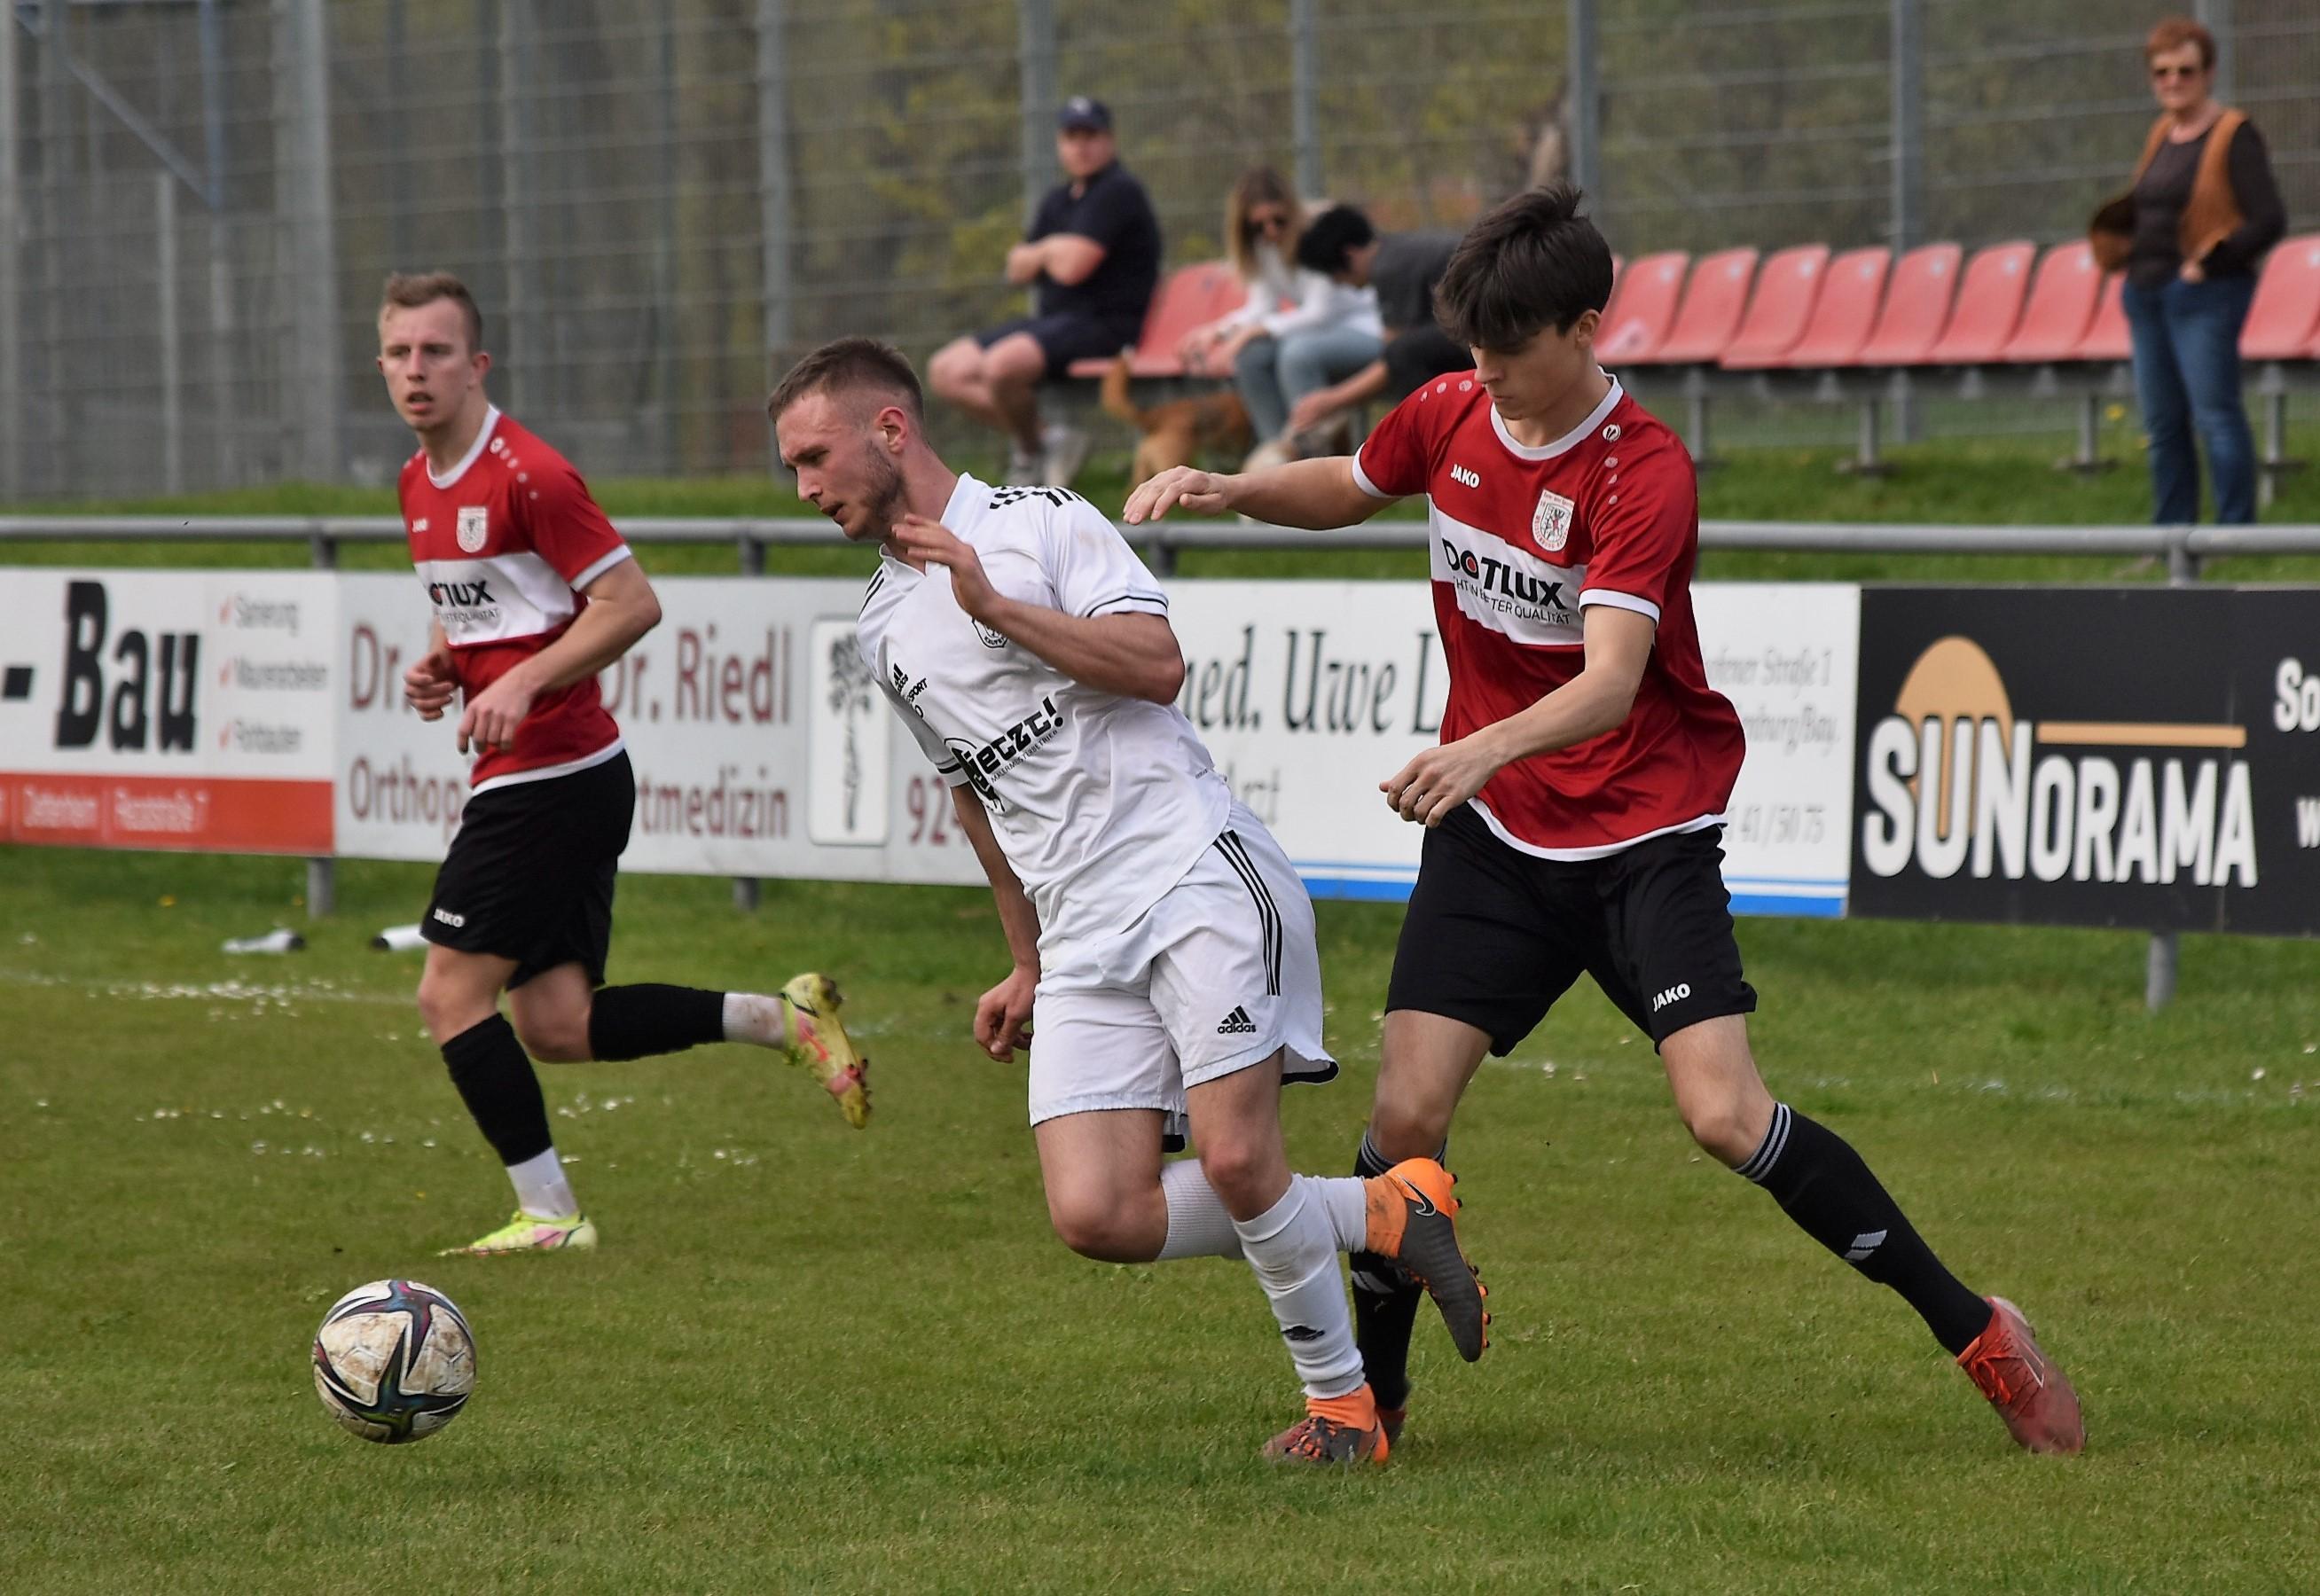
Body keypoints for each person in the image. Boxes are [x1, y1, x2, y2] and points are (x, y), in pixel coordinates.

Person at [1125, 185, 2086, 1457]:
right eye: (1473, 346)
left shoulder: (1643, 470)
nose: (1486, 371)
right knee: (1403, 1125)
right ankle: (1370, 1407)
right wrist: (1227, 487)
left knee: (1725, 1118)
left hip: (1643, 841)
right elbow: (1352, 485)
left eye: (1510, 348)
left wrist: (1477, 748)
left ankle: (1979, 1331)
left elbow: (1613, 681)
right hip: (1498, 844)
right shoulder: (1450, 409)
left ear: (1586, 328)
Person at [769, 336, 1487, 1465]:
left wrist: (991, 603)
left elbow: (1156, 666)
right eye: (792, 471)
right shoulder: (880, 626)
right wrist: (1025, 960)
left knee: (1239, 1160)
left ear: (890, 430)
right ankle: (1387, 1213)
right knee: (1097, 1212)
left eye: (815, 458)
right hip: (1079, 929)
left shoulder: (1041, 523)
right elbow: (975, 797)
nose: (806, 488)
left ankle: (1343, 1410)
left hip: (1191, 870)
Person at [378, 271, 872, 1257]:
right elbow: (484, 607)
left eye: (436, 351)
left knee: (448, 995)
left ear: (477, 365)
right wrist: (446, 663)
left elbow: (631, 603)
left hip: (552, 777)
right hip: (553, 778)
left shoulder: (530, 474)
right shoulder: (416, 483)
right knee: (558, 1024)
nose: (415, 370)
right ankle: (783, 1020)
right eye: (398, 353)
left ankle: (552, 1217)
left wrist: (524, 683)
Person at [2093, 15, 2285, 526]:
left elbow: (2268, 220)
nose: (2173, 82)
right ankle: (2172, 538)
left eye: (2186, 71)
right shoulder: (2162, 132)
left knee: (2215, 415)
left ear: (2209, 73)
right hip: (2146, 293)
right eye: (2162, 72)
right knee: (2163, 425)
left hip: (2205, 295)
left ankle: (2235, 536)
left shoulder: (2233, 135)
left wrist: (2210, 264)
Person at [928, 98, 1161, 490]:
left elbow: (1072, 269)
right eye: (1072, 136)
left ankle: (1029, 454)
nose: (1081, 146)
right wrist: (1054, 250)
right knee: (946, 370)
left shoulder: (1119, 192)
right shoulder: (1059, 199)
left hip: (1106, 325)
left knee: (1000, 367)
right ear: (1059, 143)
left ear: (1110, 140)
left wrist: (1045, 251)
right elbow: (1016, 268)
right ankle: (1048, 441)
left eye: (1091, 135)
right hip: (1053, 323)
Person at [1272, 204, 1471, 457]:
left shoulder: (1389, 269)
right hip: (1475, 325)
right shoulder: (1396, 249)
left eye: (1335, 276)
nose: (1340, 284)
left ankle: (1430, 447)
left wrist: (1331, 401)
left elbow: (1394, 357)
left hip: (1481, 328)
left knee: (1403, 355)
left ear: (1349, 255)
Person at [1175, 168, 1305, 376]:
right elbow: (1263, 307)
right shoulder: (1264, 248)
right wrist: (1218, 332)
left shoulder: (1314, 236)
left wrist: (1249, 334)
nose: (1271, 231)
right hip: (1310, 329)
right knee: (1252, 358)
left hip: (1346, 324)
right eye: (1258, 226)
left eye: (1278, 220)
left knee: (1297, 355)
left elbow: (1322, 311)